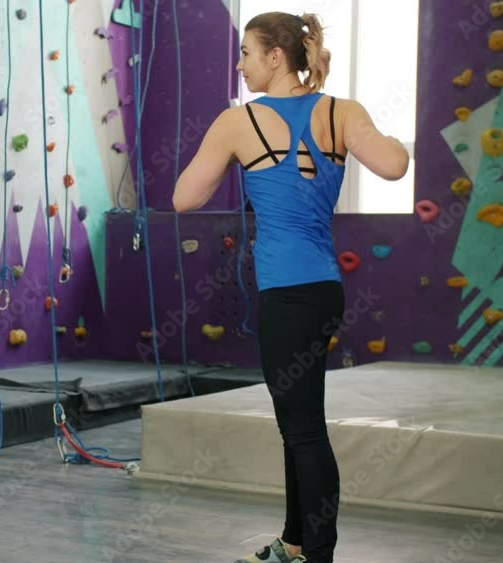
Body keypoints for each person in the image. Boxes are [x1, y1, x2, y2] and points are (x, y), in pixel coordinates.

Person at [172, 12, 410, 563]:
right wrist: (371, 132)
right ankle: (295, 541)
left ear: (275, 57)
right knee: (296, 423)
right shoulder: (342, 112)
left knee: (303, 431)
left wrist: (228, 151)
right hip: (325, 290)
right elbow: (395, 164)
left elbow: (185, 199)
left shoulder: (239, 123)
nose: (239, 64)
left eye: (247, 54)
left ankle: (317, 554)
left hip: (285, 295)